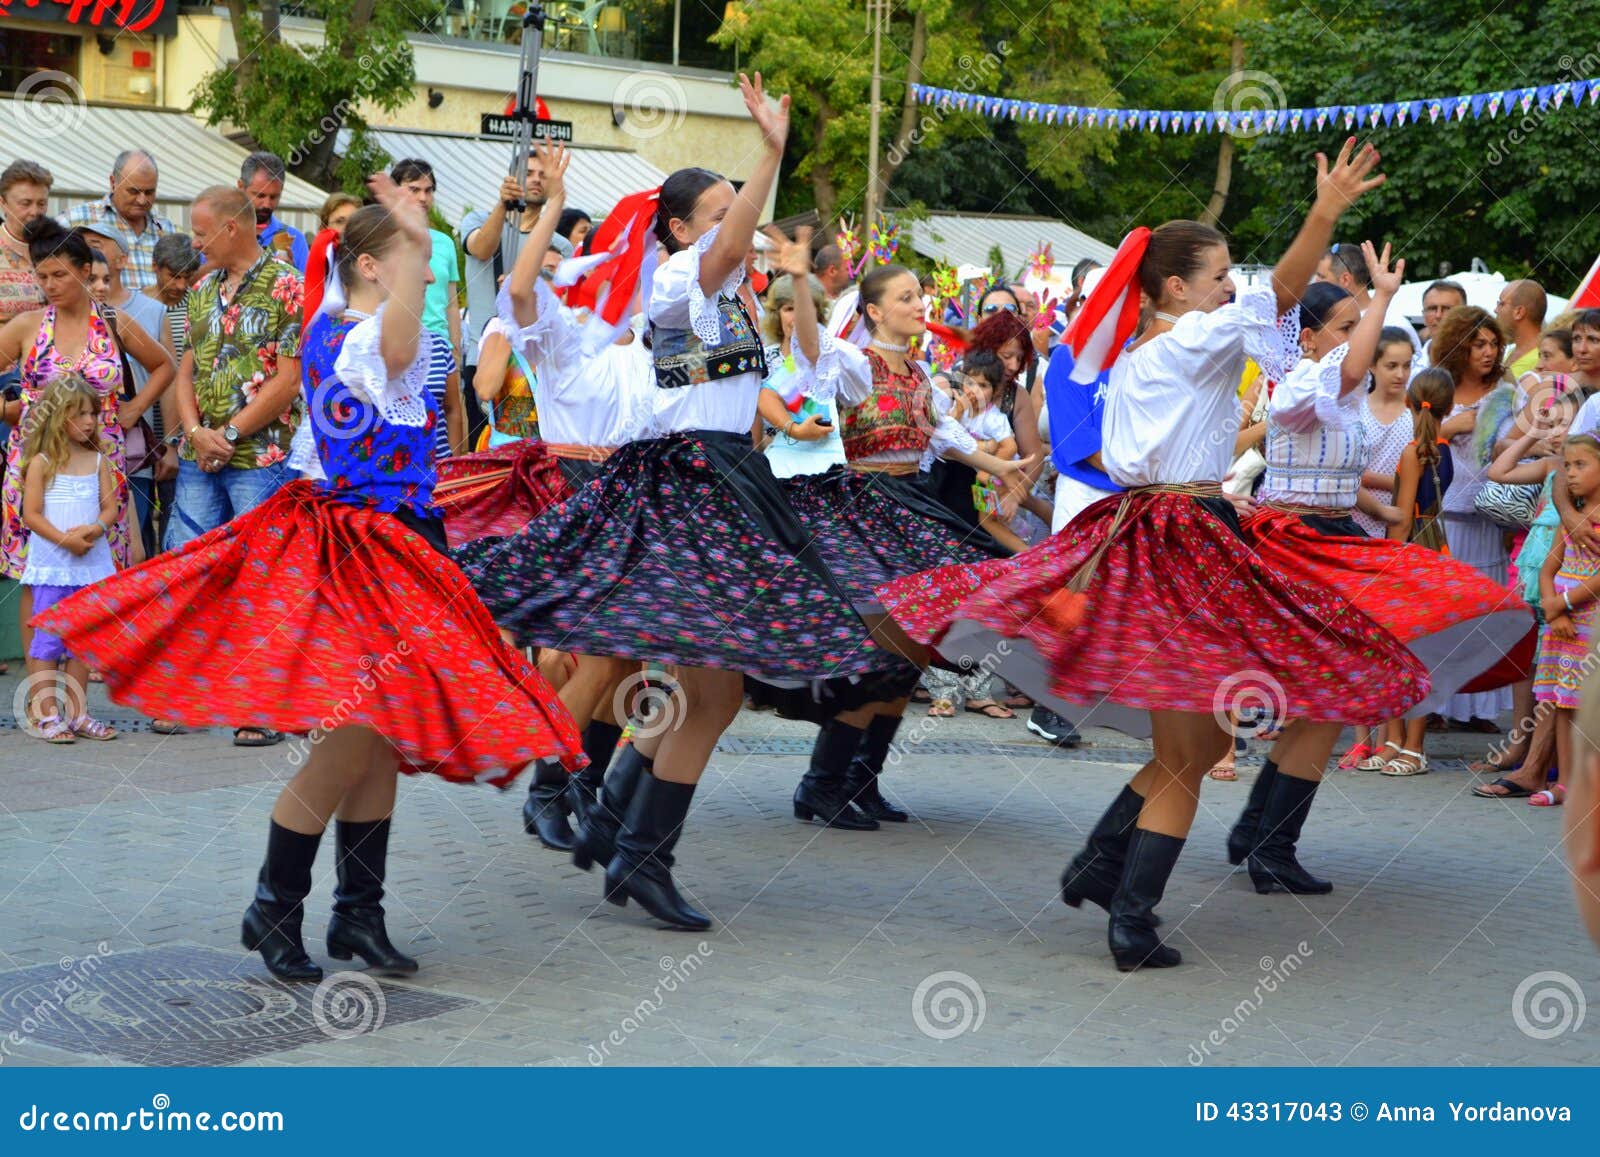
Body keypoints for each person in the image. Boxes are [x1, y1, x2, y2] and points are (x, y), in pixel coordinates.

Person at [878, 140, 1426, 971]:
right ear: (1176, 288)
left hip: (1169, 533)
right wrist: (1325, 213)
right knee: (1189, 753)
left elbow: (1275, 321)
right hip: (1181, 541)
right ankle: (1130, 915)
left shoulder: (1146, 352)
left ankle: (1104, 869)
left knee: (1197, 748)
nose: (1230, 287)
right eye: (1218, 275)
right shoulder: (1186, 343)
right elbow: (1283, 292)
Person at [34, 178, 585, 982]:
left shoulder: (358, 327)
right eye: (414, 262)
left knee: (383, 735)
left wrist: (412, 233)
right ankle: (275, 902)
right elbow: (401, 349)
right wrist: (412, 231)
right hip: (361, 553)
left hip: (400, 544)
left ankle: (358, 914)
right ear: (371, 266)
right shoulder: (358, 336)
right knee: (348, 735)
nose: (429, 276)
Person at [454, 74, 902, 932]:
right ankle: (631, 844)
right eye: (720, 211)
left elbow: (781, 376)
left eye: (738, 208)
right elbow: (722, 252)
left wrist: (794, 285)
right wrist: (769, 154)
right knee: (687, 679)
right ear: (679, 230)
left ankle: (625, 826)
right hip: (692, 483)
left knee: (706, 686)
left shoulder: (730, 305)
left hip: (728, 480)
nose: (740, 224)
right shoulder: (680, 284)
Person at [1237, 250, 1527, 802]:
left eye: (1358, 326)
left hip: (1336, 536)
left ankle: (1269, 838)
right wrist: (1385, 300)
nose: (1359, 339)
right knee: (1314, 696)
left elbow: (1344, 481)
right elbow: (1307, 462)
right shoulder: (1302, 386)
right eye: (1347, 327)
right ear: (1308, 339)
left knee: (1333, 696)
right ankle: (1261, 836)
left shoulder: (1343, 397)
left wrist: (1395, 512)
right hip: (1294, 543)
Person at [441, 140, 650, 852]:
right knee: (582, 654)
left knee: (623, 661)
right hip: (561, 488)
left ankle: (584, 783)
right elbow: (515, 307)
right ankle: (549, 786)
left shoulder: (649, 342)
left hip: (630, 493)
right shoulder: (558, 332)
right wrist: (552, 204)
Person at [771, 255, 1027, 828]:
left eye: (919, 296)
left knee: (910, 653)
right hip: (863, 509)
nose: (919, 305)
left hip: (912, 505)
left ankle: (861, 781)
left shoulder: (921, 375)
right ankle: (822, 782)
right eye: (906, 297)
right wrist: (797, 284)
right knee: (883, 651)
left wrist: (1004, 467)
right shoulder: (856, 364)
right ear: (874, 312)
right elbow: (812, 348)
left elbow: (949, 439)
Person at [168, 185, 303, 747]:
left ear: (231, 229)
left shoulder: (288, 286)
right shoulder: (201, 292)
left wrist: (228, 432)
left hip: (261, 456)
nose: (195, 243)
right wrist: (197, 432)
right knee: (188, 567)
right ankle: (183, 695)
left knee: (263, 577)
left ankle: (262, 704)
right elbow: (184, 373)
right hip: (201, 455)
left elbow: (290, 378)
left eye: (201, 232)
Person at [1, 219, 173, 646]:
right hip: (37, 463)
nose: (50, 285)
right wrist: (10, 410)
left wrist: (133, 408)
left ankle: (83, 682)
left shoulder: (114, 322)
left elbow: (165, 365)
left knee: (98, 563)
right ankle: (42, 696)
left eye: (60, 274)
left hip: (99, 461)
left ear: (82, 269)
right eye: (42, 276)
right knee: (34, 572)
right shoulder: (28, 325)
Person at [1472, 383, 1580, 799]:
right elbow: (1498, 472)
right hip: (1532, 577)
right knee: (1535, 666)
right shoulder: (1550, 464)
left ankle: (1545, 764)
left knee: (1552, 669)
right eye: (1549, 422)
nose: (1554, 431)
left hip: (1563, 581)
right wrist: (1532, 433)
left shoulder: (1581, 473)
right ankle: (1533, 755)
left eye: (1561, 423)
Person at [18, 375, 121, 743]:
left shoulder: (98, 462)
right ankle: (47, 714)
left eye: (93, 413)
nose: (90, 421)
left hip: (89, 568)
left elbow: (110, 507)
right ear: (57, 416)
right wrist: (66, 540)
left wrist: (94, 530)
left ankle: (77, 713)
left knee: (82, 643)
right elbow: (31, 514)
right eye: (80, 414)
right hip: (53, 568)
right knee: (47, 641)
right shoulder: (41, 462)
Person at [460, 148, 549, 449]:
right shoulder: (480, 220)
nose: (536, 180)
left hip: (533, 364)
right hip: (484, 358)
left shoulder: (555, 242)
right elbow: (481, 248)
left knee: (530, 449)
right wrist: (503, 204)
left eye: (543, 175)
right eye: (529, 173)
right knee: (485, 453)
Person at [1532, 433, 1600, 809]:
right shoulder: (1571, 519)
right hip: (1563, 628)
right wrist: (1550, 607)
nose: (1571, 474)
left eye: (1581, 465)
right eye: (1567, 466)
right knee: (1562, 704)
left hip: (1590, 625)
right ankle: (1566, 784)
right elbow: (1548, 568)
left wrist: (1562, 604)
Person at [390, 158, 465, 454]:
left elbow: (451, 301)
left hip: (437, 348)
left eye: (428, 190)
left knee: (446, 423)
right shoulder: (383, 237)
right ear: (396, 192)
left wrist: (454, 348)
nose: (423, 197)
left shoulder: (444, 243)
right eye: (414, 189)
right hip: (396, 344)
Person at [757, 271, 846, 479]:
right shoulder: (762, 363)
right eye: (789, 309)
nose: (797, 317)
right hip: (778, 469)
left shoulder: (834, 359)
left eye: (805, 308)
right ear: (776, 315)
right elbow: (753, 432)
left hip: (830, 468)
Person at [65, 150, 174, 292]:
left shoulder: (165, 228)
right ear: (113, 183)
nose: (142, 200)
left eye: (149, 192)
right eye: (133, 191)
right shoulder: (76, 220)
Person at [239, 152, 308, 272]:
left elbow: (308, 289)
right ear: (241, 187)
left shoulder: (295, 239)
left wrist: (291, 273)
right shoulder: (221, 233)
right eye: (260, 195)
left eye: (274, 197)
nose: (267, 204)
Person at [0, 161, 50, 325]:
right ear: (3, 203)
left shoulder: (60, 249)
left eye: (41, 204)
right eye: (25, 203)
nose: (35, 212)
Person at [1496, 279, 1547, 382]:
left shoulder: (1542, 359)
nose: (1496, 310)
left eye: (1501, 304)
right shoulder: (1511, 350)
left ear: (1519, 312)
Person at [1413, 279, 1467, 373]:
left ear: (1465, 315)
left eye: (1447, 309)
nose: (1438, 315)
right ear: (1423, 316)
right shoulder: (1408, 365)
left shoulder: (1480, 362)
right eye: (1432, 308)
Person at [1314, 242, 1372, 312]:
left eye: (1321, 276)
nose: (1315, 281)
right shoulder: (1383, 301)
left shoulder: (1378, 321)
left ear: (1345, 279)